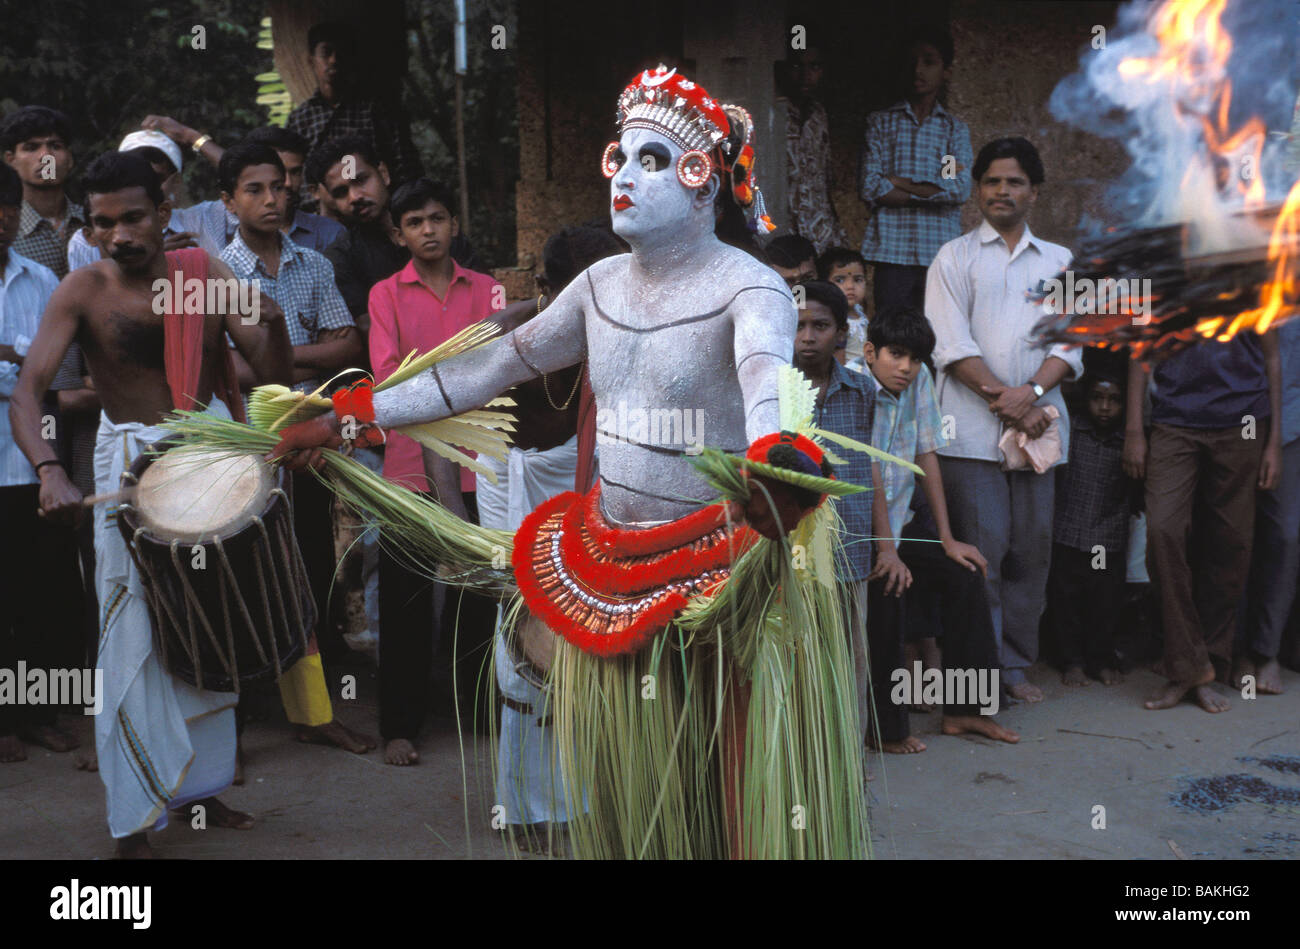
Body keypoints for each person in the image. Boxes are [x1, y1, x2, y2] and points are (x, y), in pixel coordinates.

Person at [270, 65, 868, 859]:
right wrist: (351, 415)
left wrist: (773, 461)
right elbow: (489, 367)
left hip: (716, 565)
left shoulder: (748, 287)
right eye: (619, 156)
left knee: (722, 781)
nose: (623, 175)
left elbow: (768, 377)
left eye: (652, 160)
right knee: (626, 780)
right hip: (609, 551)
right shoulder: (596, 285)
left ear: (702, 183)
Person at [9, 150, 293, 857]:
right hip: (126, 469)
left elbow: (270, 374)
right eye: (103, 222)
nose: (119, 235)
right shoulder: (82, 289)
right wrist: (48, 468)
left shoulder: (199, 276)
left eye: (133, 217)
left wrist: (274, 321)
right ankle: (135, 811)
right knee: (131, 630)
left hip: (204, 457)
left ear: (165, 213)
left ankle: (200, 787)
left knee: (208, 621)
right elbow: (29, 390)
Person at [218, 141, 374, 756]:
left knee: (311, 568)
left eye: (279, 187)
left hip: (312, 442)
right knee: (238, 574)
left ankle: (314, 711)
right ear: (228, 200)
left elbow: (348, 349)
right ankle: (231, 724)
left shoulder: (314, 263)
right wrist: (292, 359)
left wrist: (271, 360)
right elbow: (225, 367)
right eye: (254, 189)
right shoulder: (216, 273)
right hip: (248, 446)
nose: (271, 199)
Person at [479, 224, 622, 842]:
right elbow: (447, 419)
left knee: (587, 640)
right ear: (543, 289)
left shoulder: (617, 332)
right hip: (505, 482)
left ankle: (579, 801)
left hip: (587, 478)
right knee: (523, 647)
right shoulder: (505, 337)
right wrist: (469, 530)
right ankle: (525, 810)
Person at [926, 136, 1082, 704]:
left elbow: (1070, 344)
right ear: (977, 189)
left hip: (1040, 428)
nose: (1002, 191)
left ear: (1033, 192)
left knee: (1031, 553)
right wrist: (1009, 398)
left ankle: (1016, 666)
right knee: (981, 555)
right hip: (969, 435)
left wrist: (1035, 392)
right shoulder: (954, 258)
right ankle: (982, 668)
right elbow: (949, 344)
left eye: (1015, 181)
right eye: (992, 181)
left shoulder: (1061, 261)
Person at [366, 177, 503, 766]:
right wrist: (460, 376)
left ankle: (474, 708)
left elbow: (503, 363)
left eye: (438, 218)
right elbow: (390, 378)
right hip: (408, 467)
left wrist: (441, 381)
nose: (429, 230)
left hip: (484, 462)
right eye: (416, 222)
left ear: (454, 223)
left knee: (481, 593)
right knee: (405, 597)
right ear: (399, 233)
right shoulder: (385, 294)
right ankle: (399, 724)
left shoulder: (491, 289)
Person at [858, 302, 1016, 751]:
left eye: (914, 358)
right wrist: (888, 549)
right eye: (896, 355)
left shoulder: (919, 381)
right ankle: (886, 730)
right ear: (870, 352)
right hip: (858, 533)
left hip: (899, 527)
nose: (906, 367)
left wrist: (947, 539)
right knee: (891, 585)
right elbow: (867, 469)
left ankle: (965, 712)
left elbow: (927, 453)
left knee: (966, 574)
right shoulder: (853, 383)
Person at [1125, 328, 1282, 712]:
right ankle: (1189, 664)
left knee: (1230, 545)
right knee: (1162, 531)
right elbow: (1138, 351)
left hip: (1243, 422)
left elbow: (1272, 357)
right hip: (1174, 421)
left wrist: (1274, 441)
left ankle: (1206, 663)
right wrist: (1133, 430)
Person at [0, 161, 83, 762]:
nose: (0, 220)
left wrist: (13, 359)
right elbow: (31, 375)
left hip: (32, 461)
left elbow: (56, 377)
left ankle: (35, 714)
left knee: (37, 594)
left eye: (6, 208)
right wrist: (21, 368)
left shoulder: (40, 280)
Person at [788, 279, 879, 749]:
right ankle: (800, 759)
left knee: (850, 658)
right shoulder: (772, 390)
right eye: (798, 325)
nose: (807, 336)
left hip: (848, 550)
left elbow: (869, 471)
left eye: (820, 326)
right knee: (794, 655)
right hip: (790, 554)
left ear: (841, 332)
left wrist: (884, 544)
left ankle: (846, 758)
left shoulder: (862, 392)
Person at [310, 136, 480, 340]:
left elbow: (477, 298)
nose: (355, 197)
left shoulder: (434, 230)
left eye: (360, 180)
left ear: (383, 173)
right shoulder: (341, 256)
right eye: (341, 192)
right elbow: (368, 326)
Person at [860, 25, 972, 314]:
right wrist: (932, 188)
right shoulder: (881, 123)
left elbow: (958, 189)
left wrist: (897, 183)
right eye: (911, 62)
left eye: (929, 62)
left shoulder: (952, 130)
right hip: (891, 252)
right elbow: (872, 186)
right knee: (892, 336)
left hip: (941, 251)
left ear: (946, 71)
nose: (918, 70)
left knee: (938, 339)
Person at [1050, 368, 1132, 686]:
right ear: (1086, 399)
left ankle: (1099, 659)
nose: (1105, 407)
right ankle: (1071, 661)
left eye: (1114, 400)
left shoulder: (1128, 440)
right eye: (1097, 398)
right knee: (1065, 600)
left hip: (1107, 537)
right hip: (1068, 531)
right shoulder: (1073, 431)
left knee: (1104, 601)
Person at [1236, 318, 1298, 696]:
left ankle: (1266, 650)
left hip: (1291, 427)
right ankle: (1236, 647)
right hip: (1236, 420)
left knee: (1285, 537)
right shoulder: (1255, 278)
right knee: (1234, 532)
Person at [287, 21, 422, 188]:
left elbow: (405, 167)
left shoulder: (375, 110)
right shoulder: (300, 119)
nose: (333, 60)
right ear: (311, 60)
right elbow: (291, 175)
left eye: (341, 53)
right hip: (316, 210)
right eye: (326, 53)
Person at [779, 46, 847, 254]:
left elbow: (824, 179)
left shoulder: (818, 114)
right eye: (796, 66)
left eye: (814, 67)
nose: (805, 76)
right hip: (781, 226)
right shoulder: (771, 112)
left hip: (819, 230)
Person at [816, 246, 868, 370]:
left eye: (857, 280)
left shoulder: (860, 312)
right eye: (840, 280)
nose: (850, 286)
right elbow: (838, 364)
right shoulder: (835, 320)